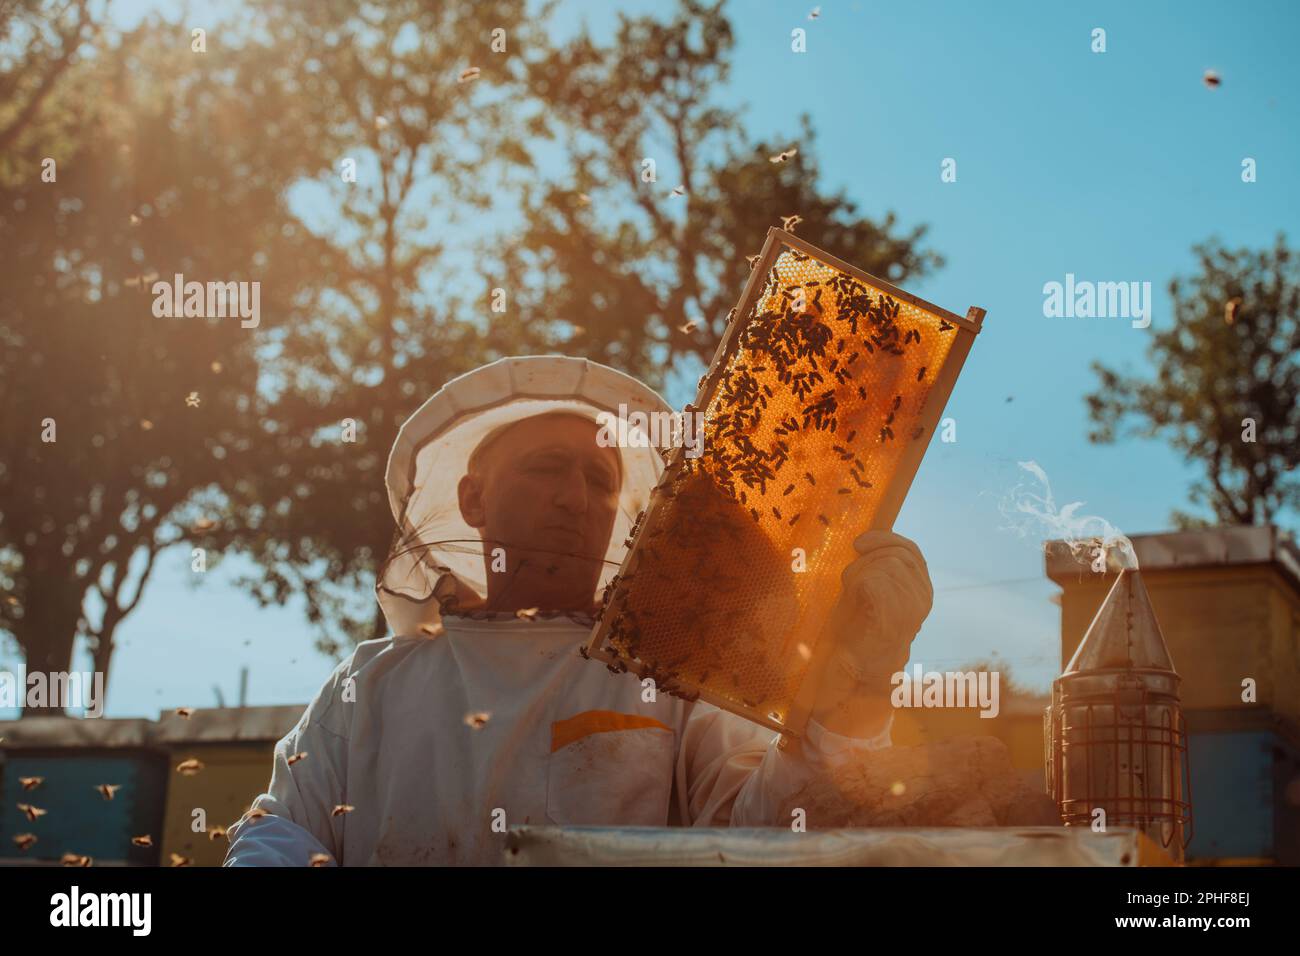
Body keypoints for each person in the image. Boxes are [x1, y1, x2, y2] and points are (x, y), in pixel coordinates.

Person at [223, 355, 933, 866]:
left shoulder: (670, 682)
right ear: (472, 499)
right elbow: (280, 832)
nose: (575, 497)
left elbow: (763, 837)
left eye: (599, 479)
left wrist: (856, 696)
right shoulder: (371, 686)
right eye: (545, 468)